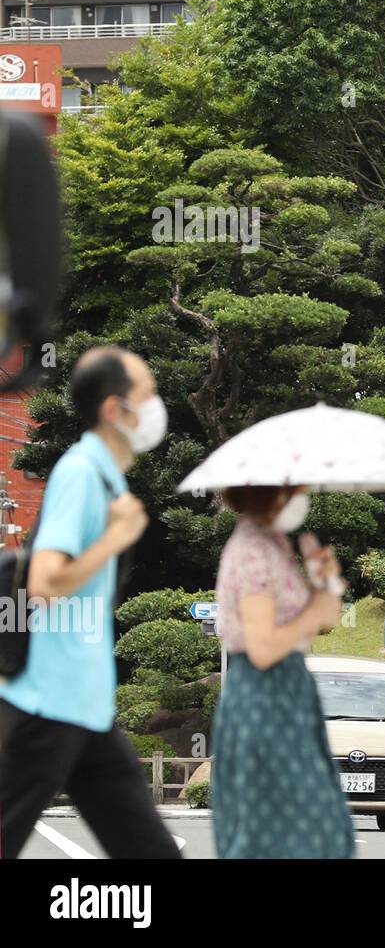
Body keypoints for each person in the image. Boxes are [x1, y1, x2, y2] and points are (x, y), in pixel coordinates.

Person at [0, 346, 182, 858]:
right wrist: (115, 536)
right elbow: (44, 581)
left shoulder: (107, 477)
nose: (155, 405)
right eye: (146, 394)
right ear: (113, 409)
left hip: (85, 710)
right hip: (47, 709)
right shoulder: (81, 472)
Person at [210, 485, 353, 858]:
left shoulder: (274, 543)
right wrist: (317, 608)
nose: (303, 493)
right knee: (276, 827)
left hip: (285, 695)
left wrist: (325, 584)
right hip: (265, 699)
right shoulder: (253, 552)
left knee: (312, 821)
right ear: (271, 492)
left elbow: (315, 619)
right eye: (295, 486)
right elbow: (263, 647)